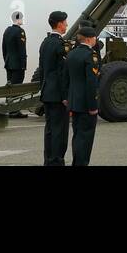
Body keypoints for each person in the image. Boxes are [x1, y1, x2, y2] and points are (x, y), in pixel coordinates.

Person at [64, 22, 101, 166]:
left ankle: (77, 162)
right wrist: (93, 106)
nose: (95, 40)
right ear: (88, 39)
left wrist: (67, 99)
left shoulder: (71, 54)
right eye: (94, 37)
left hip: (74, 103)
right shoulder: (91, 56)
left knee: (77, 136)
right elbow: (91, 83)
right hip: (86, 105)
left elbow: (65, 78)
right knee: (86, 139)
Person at [39, 10, 70, 166]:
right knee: (60, 132)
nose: (66, 25)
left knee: (50, 131)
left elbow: (42, 70)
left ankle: (48, 160)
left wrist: (43, 88)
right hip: (58, 95)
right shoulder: (60, 45)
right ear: (59, 24)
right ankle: (57, 161)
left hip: (47, 92)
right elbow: (62, 74)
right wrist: (65, 96)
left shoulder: (45, 42)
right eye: (65, 22)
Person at [2, 11, 29, 118]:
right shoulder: (20, 32)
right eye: (21, 18)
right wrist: (23, 64)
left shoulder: (7, 30)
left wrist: (6, 60)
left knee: (10, 86)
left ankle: (10, 108)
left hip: (9, 62)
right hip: (18, 64)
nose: (22, 20)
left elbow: (4, 48)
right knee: (17, 87)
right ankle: (14, 111)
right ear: (18, 19)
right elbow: (21, 50)